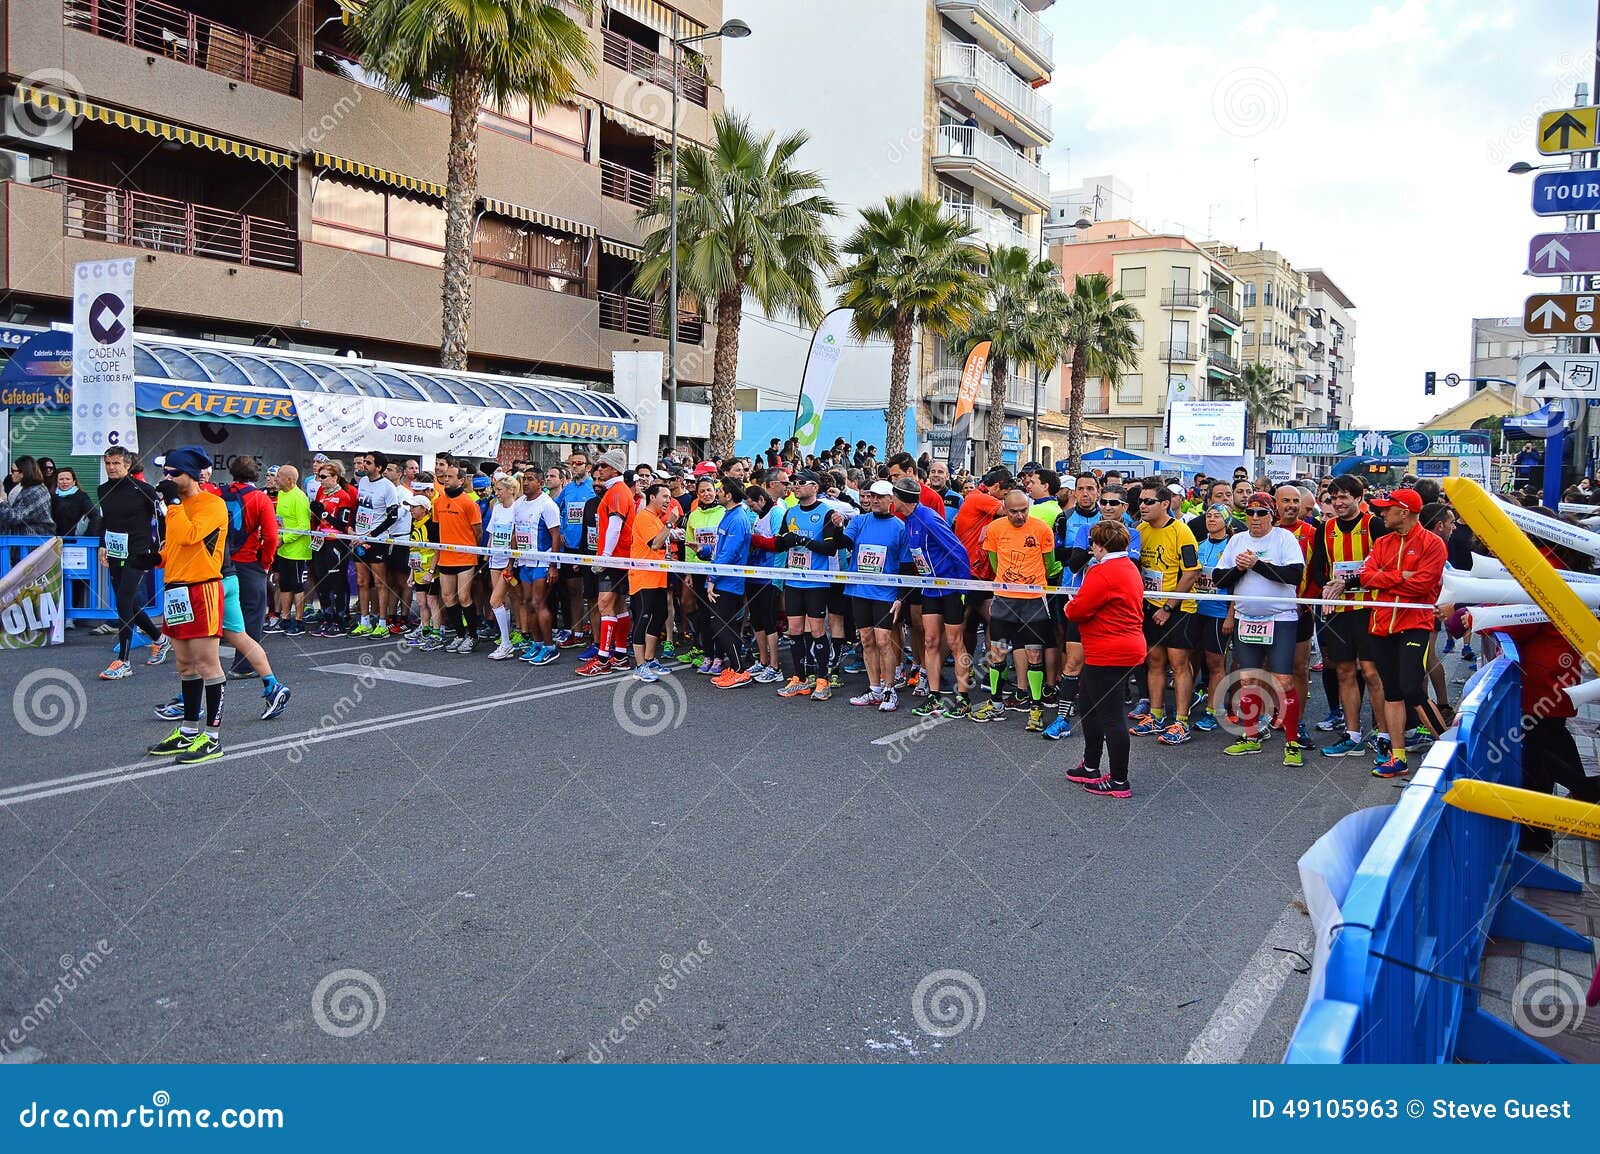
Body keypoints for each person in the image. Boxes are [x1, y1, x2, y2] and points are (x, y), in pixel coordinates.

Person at [145, 447, 231, 765]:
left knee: (207, 664)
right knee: (184, 665)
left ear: (191, 475)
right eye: (166, 473)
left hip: (202, 589)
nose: (168, 479)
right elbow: (176, 547)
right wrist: (156, 558)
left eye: (173, 473)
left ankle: (212, 737)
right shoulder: (178, 506)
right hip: (176, 590)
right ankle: (188, 730)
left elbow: (190, 536)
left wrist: (173, 504)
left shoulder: (212, 504)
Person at [1359, 488, 1450, 777]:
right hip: (1381, 624)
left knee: (1412, 687)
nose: (1382, 513)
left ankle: (1448, 748)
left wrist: (1386, 581)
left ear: (1405, 512)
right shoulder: (1383, 541)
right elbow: (1365, 576)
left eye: (1387, 509)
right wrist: (1400, 577)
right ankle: (1398, 758)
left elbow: (1423, 585)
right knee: (1393, 690)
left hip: (1415, 623)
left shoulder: (1433, 543)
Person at [1214, 492, 1308, 765]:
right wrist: (1242, 569)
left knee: (1283, 680)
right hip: (1247, 619)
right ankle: (1251, 735)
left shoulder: (1284, 538)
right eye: (1251, 513)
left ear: (1272, 515)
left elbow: (1293, 576)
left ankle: (1292, 742)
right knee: (1248, 680)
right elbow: (1220, 578)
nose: (1255, 518)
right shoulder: (1237, 540)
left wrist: (1257, 564)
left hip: (1280, 619)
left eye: (1261, 513)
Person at [1063, 521, 1148, 799]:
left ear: (1098, 545)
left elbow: (1079, 610)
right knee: (1088, 705)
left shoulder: (1104, 571)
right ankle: (1090, 765)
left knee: (1111, 716)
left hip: (1109, 649)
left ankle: (1119, 780)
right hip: (1120, 646)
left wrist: (1068, 605)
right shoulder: (1128, 568)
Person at [1311, 475, 1389, 757]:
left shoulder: (1374, 525)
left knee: (1371, 672)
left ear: (1359, 498)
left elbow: (1383, 568)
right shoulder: (1325, 528)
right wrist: (1327, 584)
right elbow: (1318, 567)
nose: (1339, 502)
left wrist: (1350, 583)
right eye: (1334, 497)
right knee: (1344, 671)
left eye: (1345, 497)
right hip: (1338, 611)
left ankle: (1383, 734)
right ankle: (1352, 734)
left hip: (1368, 609)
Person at [973, 490, 1054, 729]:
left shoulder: (1041, 529)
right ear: (1005, 509)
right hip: (1004, 599)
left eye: (1024, 510)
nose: (1019, 516)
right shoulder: (995, 529)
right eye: (1014, 511)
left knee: (1034, 654)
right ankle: (995, 703)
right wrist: (1007, 582)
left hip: (1033, 600)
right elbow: (995, 561)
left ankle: (1036, 708)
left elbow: (1048, 564)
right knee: (997, 652)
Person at [893, 476, 973, 718]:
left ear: (900, 498)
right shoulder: (908, 520)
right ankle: (934, 696)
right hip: (929, 588)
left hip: (949, 588)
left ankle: (963, 697)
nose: (891, 501)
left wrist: (963, 588)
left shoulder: (928, 519)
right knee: (930, 641)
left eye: (893, 496)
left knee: (956, 642)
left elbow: (958, 550)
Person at [1129, 482, 1201, 745]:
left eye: (1149, 501)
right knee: (1154, 662)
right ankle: (1156, 714)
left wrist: (1168, 607)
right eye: (1141, 501)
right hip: (1150, 606)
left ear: (1164, 504)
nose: (1143, 506)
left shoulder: (1182, 531)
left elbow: (1192, 572)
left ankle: (1182, 722)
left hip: (1178, 609)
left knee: (1178, 664)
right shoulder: (1141, 529)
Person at [97, 447, 167, 679]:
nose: (111, 467)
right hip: (116, 550)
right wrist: (102, 544)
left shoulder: (144, 490)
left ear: (127, 466)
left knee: (125, 600)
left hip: (140, 551)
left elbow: (162, 517)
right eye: (108, 463)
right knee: (126, 603)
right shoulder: (103, 489)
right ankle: (160, 639)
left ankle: (123, 661)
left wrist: (161, 546)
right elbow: (106, 520)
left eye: (116, 463)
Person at [773, 470, 842, 699]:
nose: (796, 486)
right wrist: (786, 541)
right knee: (794, 630)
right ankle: (800, 678)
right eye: (795, 482)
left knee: (817, 629)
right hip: (793, 580)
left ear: (814, 487)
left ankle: (822, 680)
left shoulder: (826, 512)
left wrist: (805, 541)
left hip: (815, 582)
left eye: (802, 482)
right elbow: (781, 543)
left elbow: (831, 548)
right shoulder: (790, 512)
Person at [843, 480, 910, 711]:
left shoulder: (900, 528)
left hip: (886, 592)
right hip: (859, 590)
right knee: (866, 640)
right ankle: (874, 689)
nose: (875, 501)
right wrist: (833, 525)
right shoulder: (860, 521)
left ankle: (890, 689)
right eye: (872, 496)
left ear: (891, 500)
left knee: (883, 641)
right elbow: (843, 542)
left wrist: (901, 597)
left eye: (881, 497)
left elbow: (906, 566)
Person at [218, 457, 279, 677]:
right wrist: (266, 563)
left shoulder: (216, 493)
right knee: (252, 612)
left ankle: (203, 664)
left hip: (218, 562)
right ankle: (243, 665)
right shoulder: (260, 498)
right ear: (255, 475)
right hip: (248, 562)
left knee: (214, 611)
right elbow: (271, 537)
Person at [577, 448, 636, 675]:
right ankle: (620, 655)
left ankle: (603, 658)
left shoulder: (617, 492)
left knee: (604, 605)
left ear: (613, 469)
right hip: (618, 558)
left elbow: (614, 526)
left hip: (615, 558)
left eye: (602, 466)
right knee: (619, 606)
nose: (598, 470)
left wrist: (605, 557)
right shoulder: (617, 490)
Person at [704, 478, 756, 689]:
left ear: (729, 495)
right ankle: (736, 668)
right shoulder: (729, 515)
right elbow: (720, 549)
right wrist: (704, 550)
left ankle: (740, 670)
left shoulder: (738, 518)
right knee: (723, 625)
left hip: (728, 582)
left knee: (720, 625)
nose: (716, 494)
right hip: (723, 579)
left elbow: (731, 553)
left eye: (720, 490)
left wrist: (712, 579)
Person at [512, 467, 563, 666]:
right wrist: (511, 561)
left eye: (530, 479)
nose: (526, 483)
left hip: (542, 560)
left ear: (540, 482)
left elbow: (555, 535)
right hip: (524, 561)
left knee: (538, 602)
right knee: (526, 602)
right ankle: (538, 642)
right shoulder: (519, 503)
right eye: (524, 479)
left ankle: (550, 647)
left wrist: (553, 566)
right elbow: (516, 532)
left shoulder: (547, 505)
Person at [1191, 504, 1234, 733]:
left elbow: (1238, 585)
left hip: (1219, 612)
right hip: (1197, 611)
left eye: (1217, 516)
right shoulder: (1200, 546)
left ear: (1226, 521)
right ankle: (1191, 702)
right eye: (1209, 515)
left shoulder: (1231, 547)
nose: (1212, 519)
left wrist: (1231, 615)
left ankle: (1213, 711)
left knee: (1215, 662)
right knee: (1191, 660)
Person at [433, 462, 484, 653]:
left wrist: (474, 551)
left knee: (464, 597)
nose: (446, 479)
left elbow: (477, 531)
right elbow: (438, 529)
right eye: (445, 477)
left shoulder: (469, 503)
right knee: (447, 597)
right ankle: (460, 634)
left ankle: (472, 635)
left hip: (465, 556)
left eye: (450, 477)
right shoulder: (438, 502)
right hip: (446, 556)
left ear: (461, 480)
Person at [629, 482, 676, 681]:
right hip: (643, 578)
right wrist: (670, 524)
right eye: (664, 497)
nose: (668, 501)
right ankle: (640, 665)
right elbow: (655, 543)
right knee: (643, 618)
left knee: (660, 615)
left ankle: (649, 659)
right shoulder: (645, 518)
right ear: (652, 497)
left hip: (658, 578)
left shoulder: (657, 519)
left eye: (669, 497)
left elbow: (660, 545)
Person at [350, 452, 400, 637]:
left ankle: (382, 623)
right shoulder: (363, 482)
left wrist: (371, 535)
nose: (363, 465)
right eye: (364, 462)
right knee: (362, 581)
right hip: (360, 537)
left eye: (368, 463)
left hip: (377, 540)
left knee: (380, 582)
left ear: (379, 467)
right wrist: (354, 530)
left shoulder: (387, 487)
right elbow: (359, 508)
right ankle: (364, 621)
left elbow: (392, 517)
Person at [308, 460, 357, 635]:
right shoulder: (321, 492)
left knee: (337, 581)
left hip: (336, 542)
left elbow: (344, 524)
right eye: (318, 476)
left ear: (335, 477)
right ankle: (327, 616)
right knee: (322, 581)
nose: (319, 480)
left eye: (323, 477)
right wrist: (314, 512)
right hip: (320, 540)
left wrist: (323, 513)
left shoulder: (344, 496)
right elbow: (318, 516)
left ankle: (341, 618)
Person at [266, 465, 313, 637]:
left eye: (278, 476)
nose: (276, 479)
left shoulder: (299, 497)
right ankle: (284, 618)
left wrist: (284, 539)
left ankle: (299, 621)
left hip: (296, 551)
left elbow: (303, 526)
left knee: (297, 585)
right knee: (284, 585)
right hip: (283, 549)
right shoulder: (282, 494)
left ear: (289, 480)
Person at [483, 476, 522, 660]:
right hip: (495, 560)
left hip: (509, 561)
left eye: (499, 489)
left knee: (495, 601)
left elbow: (515, 534)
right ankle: (506, 638)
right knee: (503, 602)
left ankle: (508, 643)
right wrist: (487, 553)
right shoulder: (496, 508)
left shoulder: (517, 508)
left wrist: (511, 563)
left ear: (510, 491)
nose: (496, 493)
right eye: (495, 489)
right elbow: (491, 531)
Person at [0, 456, 54, 535]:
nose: (11, 474)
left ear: (22, 473)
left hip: (32, 542)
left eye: (13, 471)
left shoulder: (36, 492)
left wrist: (1, 500)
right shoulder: (24, 488)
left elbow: (15, 517)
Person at [50, 467, 97, 537]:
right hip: (56, 540)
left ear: (74, 482)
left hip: (76, 541)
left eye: (67, 479)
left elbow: (95, 516)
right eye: (61, 479)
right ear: (57, 482)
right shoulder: (52, 497)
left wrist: (87, 536)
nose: (64, 482)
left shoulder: (82, 496)